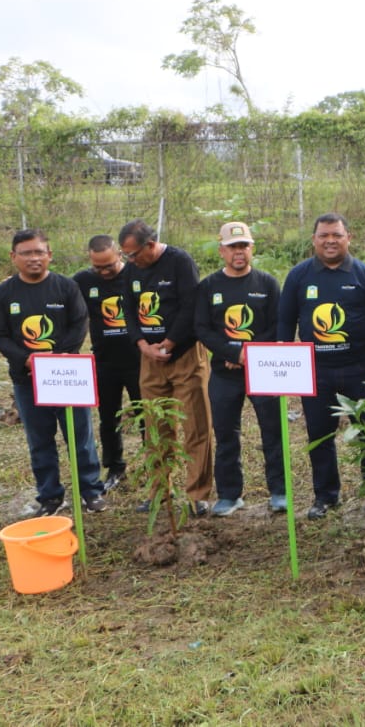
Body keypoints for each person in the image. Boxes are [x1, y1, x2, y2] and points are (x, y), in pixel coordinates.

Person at [277, 213, 365, 520]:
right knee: (319, 434)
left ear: (348, 238)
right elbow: (285, 322)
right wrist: (284, 366)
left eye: (336, 235)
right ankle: (326, 495)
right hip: (315, 372)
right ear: (314, 240)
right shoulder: (299, 276)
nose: (330, 241)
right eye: (324, 235)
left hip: (360, 368)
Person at [0, 229, 107, 516]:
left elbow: (79, 324)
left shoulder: (66, 288)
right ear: (13, 257)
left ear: (49, 255)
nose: (34, 258)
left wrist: (55, 359)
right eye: (27, 253)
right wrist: (27, 360)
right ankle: (50, 496)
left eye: (39, 252)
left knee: (80, 436)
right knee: (40, 440)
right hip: (27, 379)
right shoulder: (3, 294)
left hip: (67, 376)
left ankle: (91, 491)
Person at [119, 219, 213, 516]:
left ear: (150, 245)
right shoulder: (133, 270)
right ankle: (160, 491)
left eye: (133, 254)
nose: (130, 261)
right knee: (156, 428)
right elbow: (128, 309)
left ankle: (197, 494)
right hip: (150, 359)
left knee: (195, 426)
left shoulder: (180, 262)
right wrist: (141, 345)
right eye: (126, 256)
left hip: (184, 355)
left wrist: (170, 343)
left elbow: (190, 307)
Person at [193, 221, 285, 516]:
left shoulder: (267, 283)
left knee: (272, 431)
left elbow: (276, 326)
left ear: (252, 248)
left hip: (263, 371)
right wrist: (232, 351)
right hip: (224, 373)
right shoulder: (209, 286)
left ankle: (280, 491)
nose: (239, 252)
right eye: (232, 247)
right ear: (221, 250)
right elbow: (202, 329)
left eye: (244, 246)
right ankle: (230, 495)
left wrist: (249, 353)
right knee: (226, 434)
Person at [73, 234, 141, 492]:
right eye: (97, 267)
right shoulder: (82, 281)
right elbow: (59, 293)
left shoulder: (135, 274)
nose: (103, 271)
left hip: (138, 360)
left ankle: (153, 463)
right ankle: (114, 466)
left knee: (146, 415)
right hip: (104, 361)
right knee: (108, 417)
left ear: (120, 256)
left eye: (109, 265)